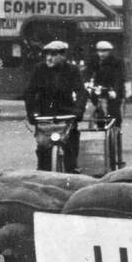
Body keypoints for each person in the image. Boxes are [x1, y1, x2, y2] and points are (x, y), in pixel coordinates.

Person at [24, 40, 87, 172]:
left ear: (63, 56)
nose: (49, 58)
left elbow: (81, 92)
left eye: (53, 54)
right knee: (42, 146)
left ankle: (72, 169)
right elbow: (29, 93)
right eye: (47, 54)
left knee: (71, 141)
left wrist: (78, 111)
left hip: (67, 112)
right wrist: (32, 113)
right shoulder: (39, 69)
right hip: (44, 114)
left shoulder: (72, 70)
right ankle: (42, 171)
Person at [87, 39, 125, 166]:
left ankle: (116, 130)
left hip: (112, 90)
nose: (101, 54)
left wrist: (115, 90)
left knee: (114, 112)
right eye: (99, 51)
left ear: (109, 52)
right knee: (97, 110)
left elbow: (119, 77)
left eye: (104, 51)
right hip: (99, 88)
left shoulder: (116, 62)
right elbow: (88, 72)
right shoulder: (94, 61)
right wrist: (88, 83)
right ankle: (100, 131)